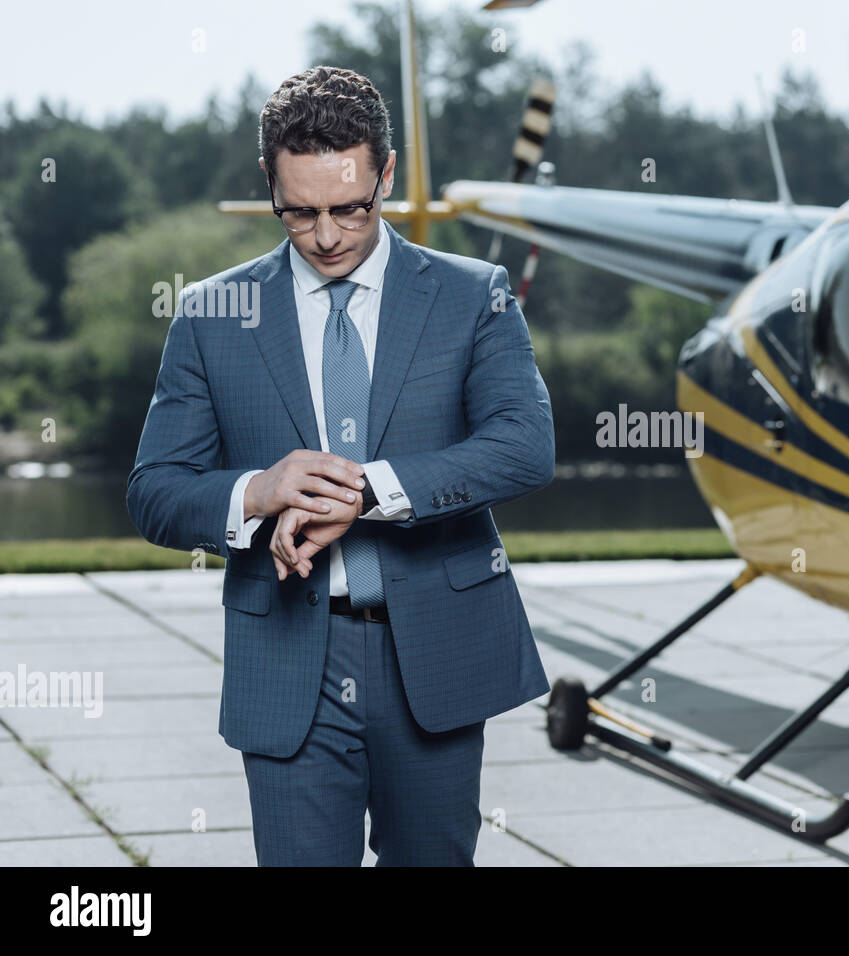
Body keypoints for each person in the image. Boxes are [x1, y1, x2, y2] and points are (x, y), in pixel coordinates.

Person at [126, 65, 554, 866]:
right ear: (269, 184)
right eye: (299, 212)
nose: (326, 235)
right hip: (289, 663)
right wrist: (259, 491)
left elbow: (524, 446)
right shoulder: (213, 316)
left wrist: (367, 491)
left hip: (436, 656)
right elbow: (154, 493)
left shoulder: (474, 296)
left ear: (386, 175)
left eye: (350, 207)